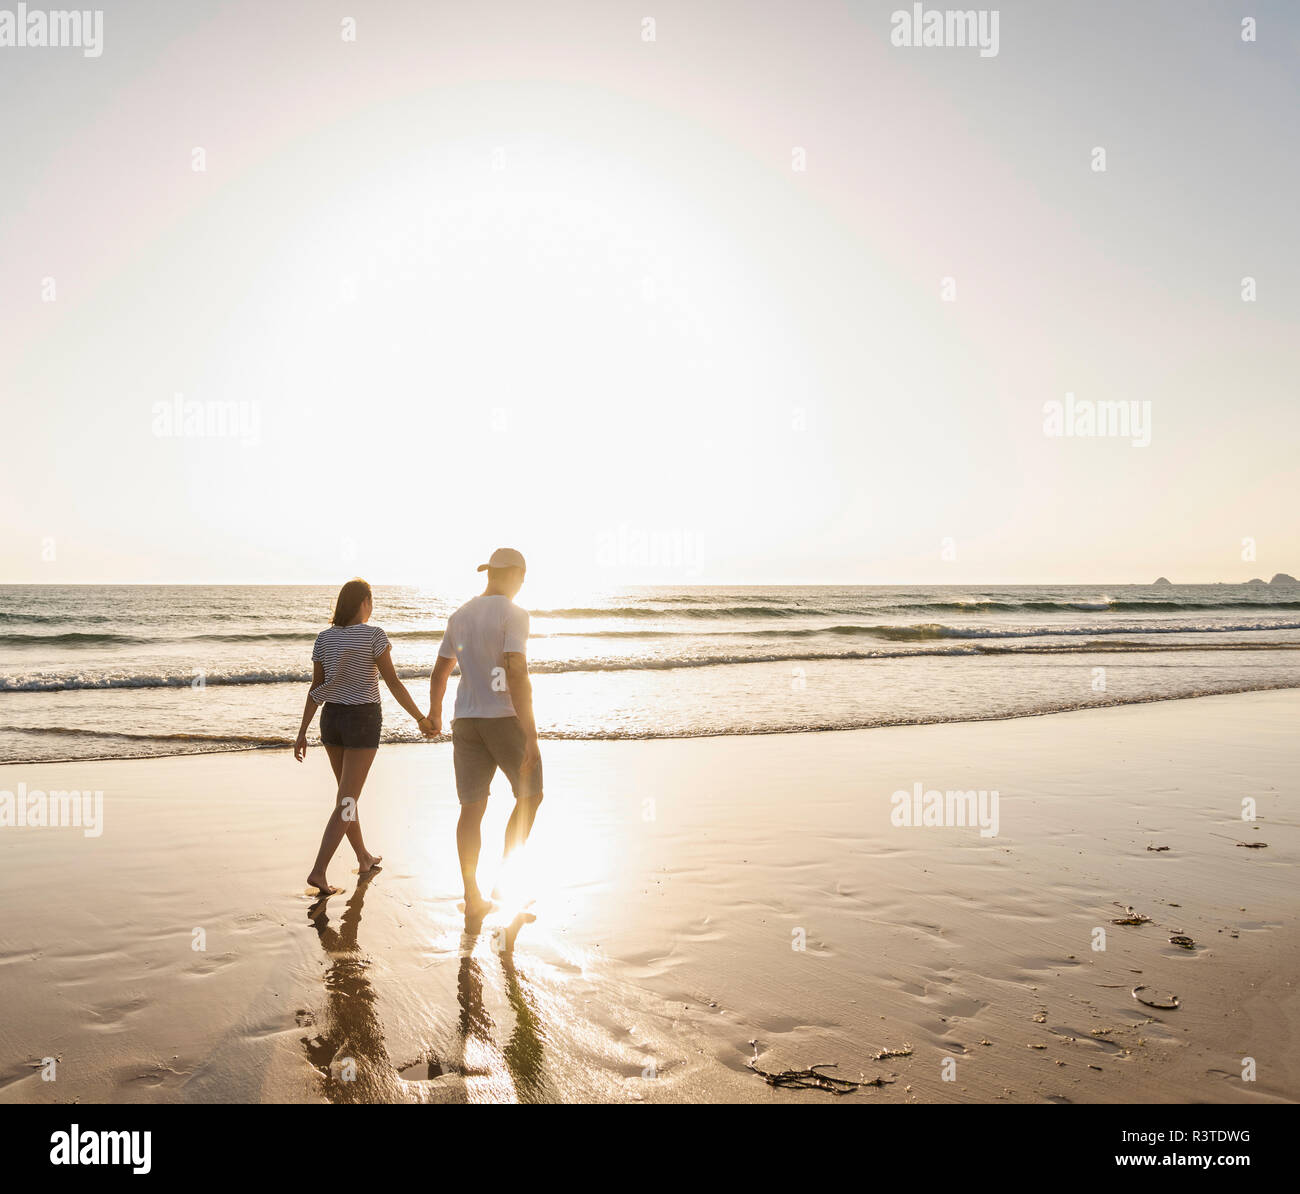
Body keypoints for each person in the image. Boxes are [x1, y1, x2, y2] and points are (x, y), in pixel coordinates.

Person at [295, 578, 435, 894]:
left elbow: (316, 690)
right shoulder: (374, 635)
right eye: (370, 602)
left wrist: (302, 732)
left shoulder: (324, 639)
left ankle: (364, 857)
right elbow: (394, 683)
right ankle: (318, 871)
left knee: (347, 797)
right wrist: (420, 718)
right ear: (364, 603)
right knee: (347, 800)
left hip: (331, 720)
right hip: (362, 720)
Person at [428, 548, 544, 919]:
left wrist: (434, 713)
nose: (522, 585)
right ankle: (503, 888)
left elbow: (440, 671)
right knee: (531, 795)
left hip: (465, 722)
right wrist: (531, 734)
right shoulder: (514, 615)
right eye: (522, 578)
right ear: (514, 575)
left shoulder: (459, 615)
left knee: (471, 809)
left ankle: (473, 896)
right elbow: (515, 672)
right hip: (503, 719)